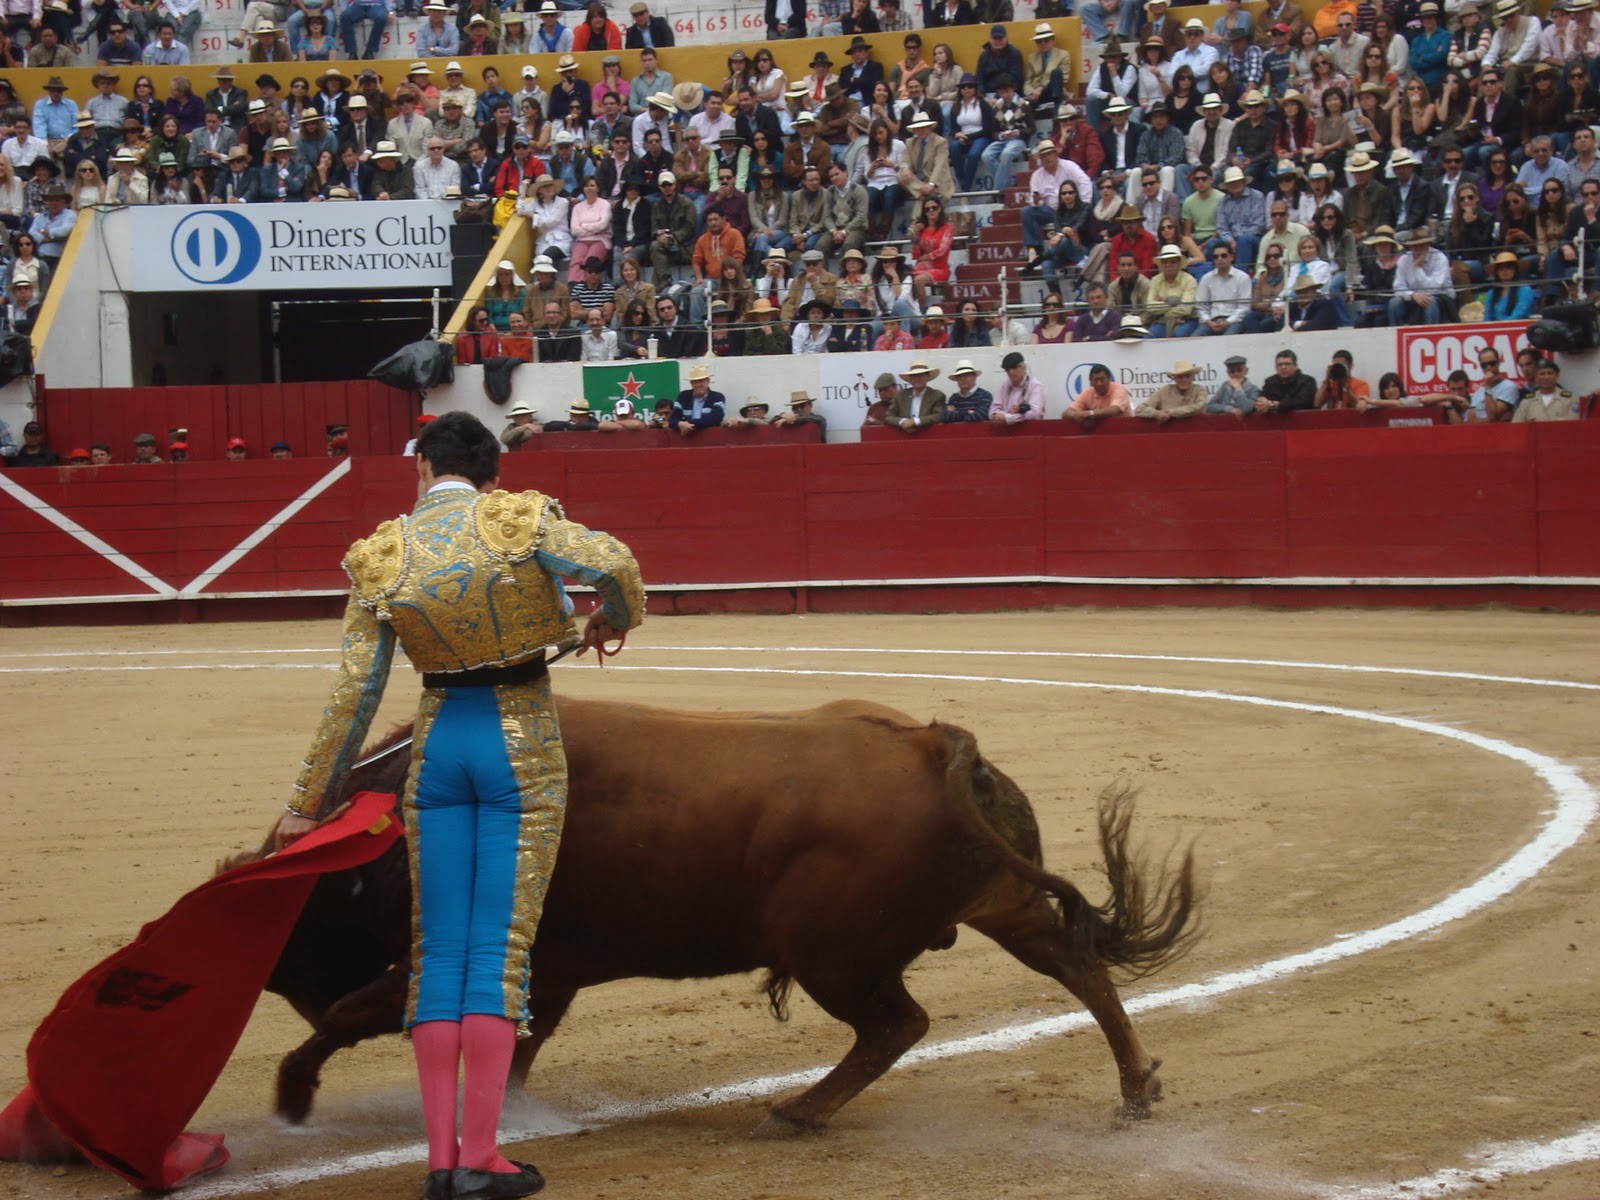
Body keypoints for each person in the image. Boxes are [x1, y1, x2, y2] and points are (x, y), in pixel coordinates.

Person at [273, 410, 641, 1197]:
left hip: (438, 747)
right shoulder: (516, 516)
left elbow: (355, 692)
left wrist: (308, 801)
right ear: (491, 471)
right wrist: (613, 618)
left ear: (421, 470)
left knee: (438, 954)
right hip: (518, 741)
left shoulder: (383, 553)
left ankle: (442, 1161)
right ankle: (482, 1157)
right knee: (498, 953)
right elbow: (616, 564)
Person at [1136, 359, 1209, 422]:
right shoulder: (1165, 390)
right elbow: (1140, 409)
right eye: (1180, 377)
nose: (1184, 380)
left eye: (1187, 376)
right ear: (1174, 378)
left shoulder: (1200, 390)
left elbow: (1199, 407)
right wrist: (1156, 414)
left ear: (1192, 377)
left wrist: (1171, 412)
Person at [1511, 359, 1579, 421]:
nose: (1546, 377)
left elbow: (1574, 426)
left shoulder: (1570, 399)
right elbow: (1517, 426)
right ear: (1536, 377)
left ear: (1557, 376)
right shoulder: (1527, 401)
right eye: (1542, 374)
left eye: (1550, 373)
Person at [1063, 363, 1130, 426]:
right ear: (1090, 381)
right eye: (1095, 380)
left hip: (1123, 430)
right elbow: (1066, 413)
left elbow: (1114, 410)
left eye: (1102, 379)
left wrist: (1089, 414)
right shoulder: (1087, 393)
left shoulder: (1119, 389)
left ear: (1109, 378)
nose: (1099, 383)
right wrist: (1077, 416)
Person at [1255, 347, 1316, 413]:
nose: (1283, 367)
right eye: (1279, 364)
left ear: (1295, 366)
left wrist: (1273, 405)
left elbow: (1302, 403)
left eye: (1287, 364)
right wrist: (1262, 404)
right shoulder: (1270, 382)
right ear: (1276, 367)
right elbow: (1262, 402)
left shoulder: (1307, 381)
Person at [888, 360, 946, 429]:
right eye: (914, 376)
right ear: (910, 379)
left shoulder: (937, 395)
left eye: (921, 375)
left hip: (928, 436)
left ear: (927, 377)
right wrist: (902, 421)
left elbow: (939, 415)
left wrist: (916, 422)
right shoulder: (900, 395)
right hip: (904, 437)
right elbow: (888, 417)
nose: (918, 378)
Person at [990, 350, 1043, 424]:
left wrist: (1008, 418)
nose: (1011, 372)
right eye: (1007, 369)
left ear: (1023, 368)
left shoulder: (1034, 385)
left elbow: (1035, 414)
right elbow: (993, 411)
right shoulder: (1004, 385)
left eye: (1014, 367)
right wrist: (1004, 417)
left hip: (1029, 430)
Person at [671, 364, 725, 435]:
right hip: (686, 440)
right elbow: (672, 419)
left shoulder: (718, 397)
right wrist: (679, 424)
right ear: (691, 383)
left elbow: (716, 419)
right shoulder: (683, 396)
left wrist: (688, 425)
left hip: (710, 438)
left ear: (708, 381)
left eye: (701, 381)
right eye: (695, 381)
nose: (698, 384)